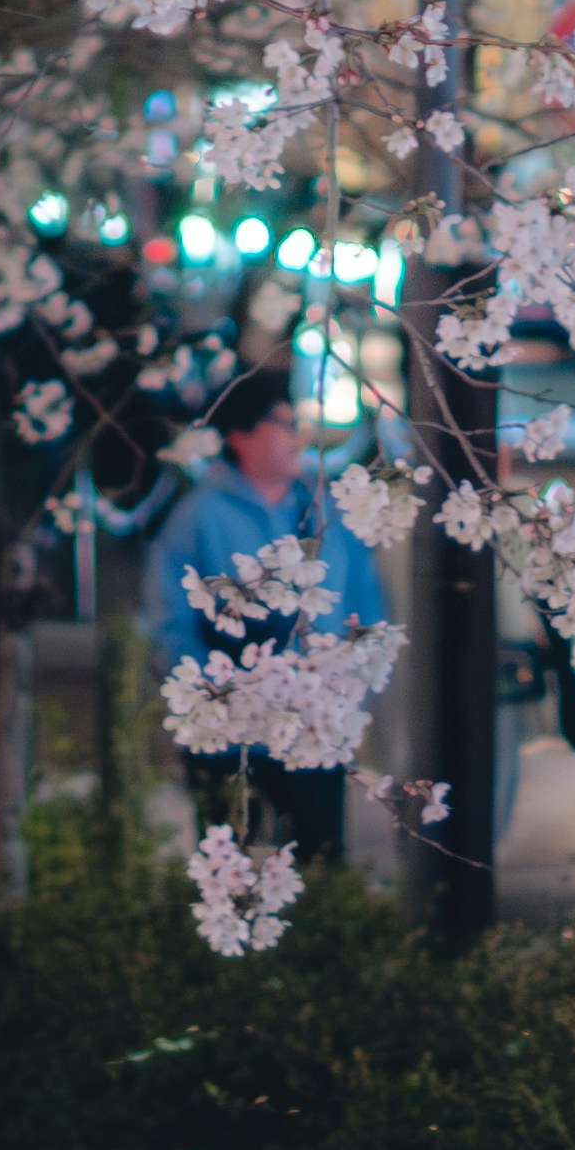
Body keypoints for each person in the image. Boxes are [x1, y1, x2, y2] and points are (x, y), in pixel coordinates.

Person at [156, 363, 392, 862]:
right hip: (229, 733)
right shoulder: (197, 517)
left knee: (323, 860)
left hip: (314, 724)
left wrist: (354, 684)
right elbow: (170, 621)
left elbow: (365, 601)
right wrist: (214, 697)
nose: (298, 437)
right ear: (241, 436)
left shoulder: (326, 511)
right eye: (284, 423)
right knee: (230, 866)